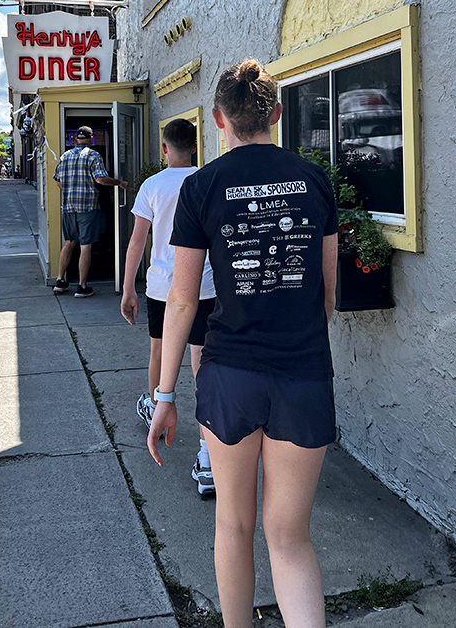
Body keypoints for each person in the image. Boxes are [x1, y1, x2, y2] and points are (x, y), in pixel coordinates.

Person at [148, 59, 338, 628]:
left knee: (233, 525)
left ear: (218, 119)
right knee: (290, 537)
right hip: (304, 374)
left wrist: (164, 394)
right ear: (276, 115)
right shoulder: (313, 181)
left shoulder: (202, 186)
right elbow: (328, 295)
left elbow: (183, 300)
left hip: (230, 375)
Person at [121, 118, 217, 495]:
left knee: (160, 351)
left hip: (163, 286)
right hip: (205, 284)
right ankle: (208, 458)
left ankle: (157, 410)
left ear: (165, 148)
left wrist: (128, 287)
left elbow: (136, 243)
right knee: (202, 361)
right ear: (196, 146)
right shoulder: (208, 180)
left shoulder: (152, 186)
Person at [53, 125, 127, 298]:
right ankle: (82, 286)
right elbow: (100, 179)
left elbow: (58, 182)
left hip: (68, 207)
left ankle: (59, 282)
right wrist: (119, 183)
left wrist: (71, 190)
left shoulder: (65, 156)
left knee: (69, 242)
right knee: (86, 245)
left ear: (75, 139)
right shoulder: (93, 155)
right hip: (88, 207)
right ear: (91, 139)